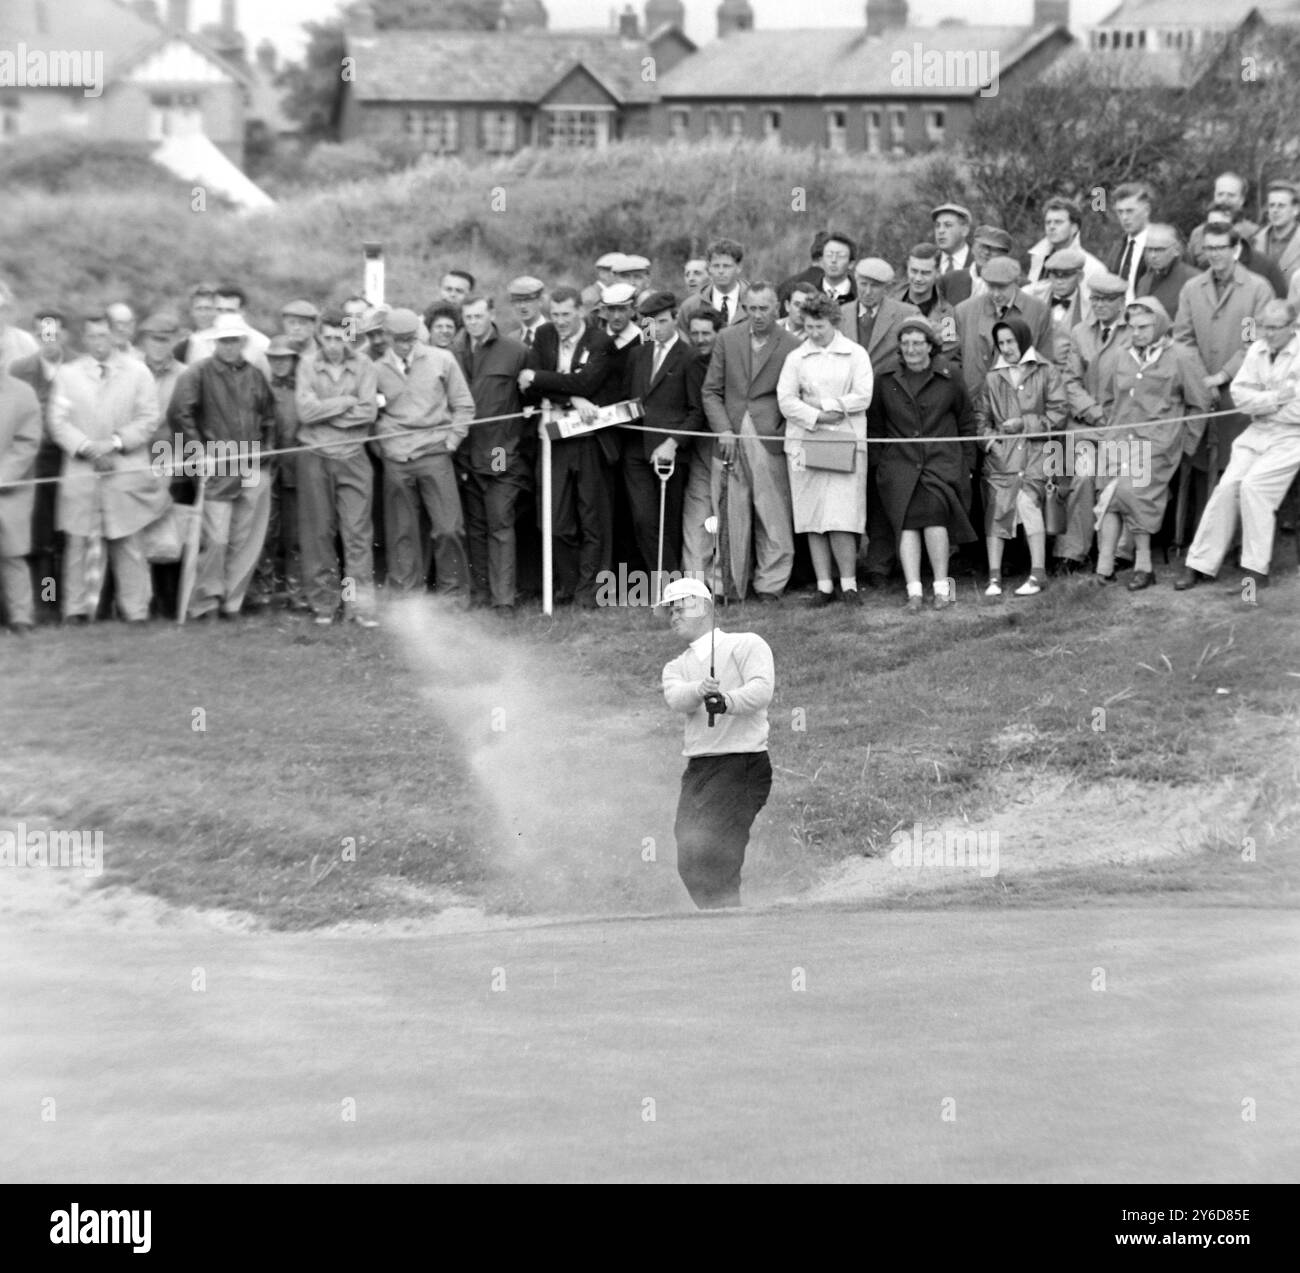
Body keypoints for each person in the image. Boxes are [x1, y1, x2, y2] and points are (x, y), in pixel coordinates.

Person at [658, 576, 774, 911]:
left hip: (742, 763)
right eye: (670, 612)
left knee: (719, 853)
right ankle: (721, 919)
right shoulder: (676, 666)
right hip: (699, 768)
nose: (674, 617)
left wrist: (725, 700)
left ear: (705, 607)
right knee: (690, 857)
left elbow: (761, 690)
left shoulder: (747, 644)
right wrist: (700, 690)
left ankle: (728, 925)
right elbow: (677, 697)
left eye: (680, 609)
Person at [50, 312, 169, 624]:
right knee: (77, 544)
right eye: (92, 336)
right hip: (81, 470)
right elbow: (57, 422)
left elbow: (148, 419)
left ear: (114, 336)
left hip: (124, 467)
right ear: (84, 339)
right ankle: (75, 611)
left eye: (104, 335)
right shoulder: (67, 375)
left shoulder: (138, 372)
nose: (98, 342)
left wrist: (114, 443)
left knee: (128, 542)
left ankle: (136, 611)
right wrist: (88, 448)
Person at [1177, 300, 1300, 595]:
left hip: (1292, 436)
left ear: (1292, 327)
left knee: (1253, 487)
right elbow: (1239, 396)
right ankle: (1201, 563)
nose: (1268, 333)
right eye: (1265, 327)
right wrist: (1274, 399)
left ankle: (1256, 570)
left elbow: (1298, 411)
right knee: (1227, 485)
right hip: (1257, 431)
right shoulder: (1256, 350)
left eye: (1275, 328)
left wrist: (1263, 402)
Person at [1093, 297, 1212, 589]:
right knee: (1109, 495)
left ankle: (1144, 565)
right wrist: (1112, 431)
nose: (1138, 333)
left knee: (1132, 490)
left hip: (1158, 444)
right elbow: (1109, 400)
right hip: (1120, 438)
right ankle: (1104, 567)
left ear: (1159, 323)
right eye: (1132, 327)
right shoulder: (1121, 356)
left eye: (1144, 326)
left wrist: (1185, 445)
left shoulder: (1181, 356)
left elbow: (1200, 403)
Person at [168, 312, 275, 622]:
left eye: (234, 340)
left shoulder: (255, 374)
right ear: (216, 342)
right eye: (224, 340)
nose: (229, 346)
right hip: (217, 463)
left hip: (252, 463)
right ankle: (206, 602)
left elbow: (268, 415)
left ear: (242, 341)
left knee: (246, 538)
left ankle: (232, 602)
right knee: (216, 538)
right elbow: (180, 414)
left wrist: (266, 449)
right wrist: (198, 450)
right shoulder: (197, 373)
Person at [868, 316, 977, 613]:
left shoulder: (950, 374)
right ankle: (913, 590)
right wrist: (882, 465)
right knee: (906, 521)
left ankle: (943, 587)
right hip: (899, 464)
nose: (911, 349)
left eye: (918, 343)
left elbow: (966, 420)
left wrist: (967, 461)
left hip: (941, 461)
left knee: (933, 514)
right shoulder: (885, 377)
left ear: (931, 346)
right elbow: (876, 426)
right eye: (905, 344)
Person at [519, 284, 618, 607]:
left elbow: (586, 382)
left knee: (592, 517)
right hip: (553, 439)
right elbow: (528, 389)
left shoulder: (599, 340)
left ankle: (589, 592)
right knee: (555, 519)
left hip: (589, 439)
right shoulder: (545, 335)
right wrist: (572, 395)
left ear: (580, 312)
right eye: (555, 314)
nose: (560, 320)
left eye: (566, 314)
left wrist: (543, 379)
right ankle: (571, 582)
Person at [701, 281, 801, 601]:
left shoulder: (792, 345)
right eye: (751, 308)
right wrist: (724, 430)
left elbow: (799, 395)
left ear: (778, 308)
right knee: (729, 512)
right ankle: (726, 585)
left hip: (769, 439)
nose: (757, 315)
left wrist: (781, 430)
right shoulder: (727, 338)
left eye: (764, 308)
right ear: (744, 308)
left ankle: (770, 585)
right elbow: (711, 391)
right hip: (729, 438)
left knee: (773, 514)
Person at [1172, 223, 1273, 532]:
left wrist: (1223, 376)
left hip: (1241, 395)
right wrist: (1203, 381)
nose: (1214, 254)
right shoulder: (1192, 288)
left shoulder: (1257, 288)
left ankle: (1241, 541)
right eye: (1209, 248)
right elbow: (1183, 339)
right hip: (1201, 393)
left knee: (1239, 465)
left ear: (1236, 249)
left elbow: (1255, 342)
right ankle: (1201, 538)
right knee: (1203, 465)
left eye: (1220, 247)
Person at [776, 293, 873, 606]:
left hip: (844, 440)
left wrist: (830, 406)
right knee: (812, 515)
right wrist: (816, 415)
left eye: (819, 326)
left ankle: (849, 584)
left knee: (841, 515)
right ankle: (824, 586)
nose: (813, 332)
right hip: (805, 441)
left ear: (833, 322)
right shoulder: (796, 357)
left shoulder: (855, 354)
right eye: (808, 326)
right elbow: (786, 399)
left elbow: (863, 395)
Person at [294, 309, 381, 627]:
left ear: (349, 336)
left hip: (353, 455)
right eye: (327, 337)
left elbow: (368, 412)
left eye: (339, 337)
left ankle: (358, 606)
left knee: (357, 533)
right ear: (319, 336)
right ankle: (324, 604)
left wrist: (326, 410)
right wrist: (345, 401)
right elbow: (304, 411)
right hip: (315, 454)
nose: (333, 344)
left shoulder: (365, 365)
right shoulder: (307, 364)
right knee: (319, 532)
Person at [973, 317, 1067, 597]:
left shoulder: (1046, 371)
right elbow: (981, 418)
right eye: (1001, 343)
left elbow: (1058, 414)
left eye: (1011, 341)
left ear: (1023, 339)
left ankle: (1038, 574)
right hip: (1002, 458)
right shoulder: (992, 377)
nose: (1006, 348)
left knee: (1027, 502)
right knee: (997, 509)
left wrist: (1024, 424)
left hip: (1040, 454)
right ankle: (994, 578)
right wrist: (991, 444)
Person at [439, 299, 522, 611]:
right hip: (464, 453)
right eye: (468, 317)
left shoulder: (514, 351)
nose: (473, 322)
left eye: (478, 316)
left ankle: (504, 599)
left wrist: (507, 454)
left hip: (501, 449)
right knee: (474, 528)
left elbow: (525, 401)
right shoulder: (453, 352)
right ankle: (480, 594)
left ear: (492, 315)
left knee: (499, 522)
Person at [621, 291, 703, 596]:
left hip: (670, 455)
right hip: (637, 451)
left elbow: (697, 411)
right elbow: (630, 401)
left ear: (675, 318)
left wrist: (673, 442)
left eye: (664, 321)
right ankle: (667, 587)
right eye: (651, 323)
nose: (657, 328)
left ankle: (672, 590)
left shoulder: (690, 356)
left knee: (668, 521)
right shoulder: (637, 355)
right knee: (644, 519)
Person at [1055, 270, 1131, 573]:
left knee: (1124, 478)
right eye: (1095, 298)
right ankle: (1072, 551)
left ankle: (1120, 551)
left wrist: (1115, 416)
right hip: (1086, 424)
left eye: (1107, 299)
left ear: (1121, 302)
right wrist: (1093, 411)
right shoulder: (1079, 333)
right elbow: (1069, 382)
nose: (1099, 305)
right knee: (1082, 476)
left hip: (1124, 425)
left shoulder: (1132, 332)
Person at [7, 307, 67, 621]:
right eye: (42, 334)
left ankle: (64, 602)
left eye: (53, 333)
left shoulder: (74, 368)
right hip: (32, 467)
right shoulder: (19, 369)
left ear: (63, 335)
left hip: (69, 463)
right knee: (37, 539)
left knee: (64, 538)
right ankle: (43, 603)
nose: (48, 340)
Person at [680, 307, 724, 578]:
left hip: (726, 443)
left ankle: (720, 579)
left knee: (724, 510)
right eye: (694, 333)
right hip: (698, 444)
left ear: (718, 333)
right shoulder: (687, 359)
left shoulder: (728, 358)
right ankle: (696, 577)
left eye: (706, 333)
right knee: (697, 510)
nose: (700, 339)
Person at [0, 367, 41, 632]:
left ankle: (21, 618)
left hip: (8, 490)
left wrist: (4, 476)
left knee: (11, 553)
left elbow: (27, 442)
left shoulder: (22, 393)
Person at [840, 257, 919, 375]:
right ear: (856, 282)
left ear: (886, 288)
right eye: (863, 284)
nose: (867, 291)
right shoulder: (840, 314)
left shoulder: (907, 314)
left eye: (874, 286)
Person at [1025, 246, 1089, 368]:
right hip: (1033, 366)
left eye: (1066, 275)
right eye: (1055, 275)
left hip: (1070, 371)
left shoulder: (1089, 305)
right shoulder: (1031, 294)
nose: (1059, 281)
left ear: (1080, 276)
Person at [1024, 196, 1106, 288]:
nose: (1051, 227)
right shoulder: (1038, 258)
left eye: (1058, 222)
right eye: (1048, 222)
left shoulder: (1093, 268)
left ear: (1074, 228)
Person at [1187, 173, 1259, 266]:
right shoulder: (1197, 233)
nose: (1224, 199)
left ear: (1242, 200)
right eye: (1220, 194)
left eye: (1231, 195)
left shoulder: (1254, 233)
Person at [678, 237, 748, 332]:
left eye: (726, 266)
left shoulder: (754, 302)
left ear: (739, 267)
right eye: (716, 266)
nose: (721, 271)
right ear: (709, 268)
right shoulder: (690, 306)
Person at [938, 224, 1014, 306]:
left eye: (993, 249)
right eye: (982, 246)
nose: (986, 252)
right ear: (973, 248)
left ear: (1005, 256)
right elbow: (939, 315)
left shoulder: (1019, 287)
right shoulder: (949, 280)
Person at [1136, 224, 1198, 321]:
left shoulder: (1194, 280)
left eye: (1160, 250)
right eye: (1149, 249)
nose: (1153, 255)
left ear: (1176, 250)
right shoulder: (1144, 280)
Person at [1108, 181, 1155, 299]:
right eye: (1120, 212)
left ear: (1147, 210)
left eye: (1130, 211)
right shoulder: (1117, 247)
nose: (1124, 217)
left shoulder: (1161, 245)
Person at [1252, 180, 1300, 288]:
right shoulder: (1256, 240)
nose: (1275, 210)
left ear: (1295, 210)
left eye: (1281, 206)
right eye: (1272, 205)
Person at [931, 202, 973, 275]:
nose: (941, 231)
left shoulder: (978, 264)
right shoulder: (929, 262)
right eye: (937, 226)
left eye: (948, 225)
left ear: (964, 230)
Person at [506, 276, 548, 348]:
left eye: (528, 300)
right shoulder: (511, 339)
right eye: (518, 300)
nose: (523, 306)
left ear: (540, 300)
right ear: (512, 303)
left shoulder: (556, 333)